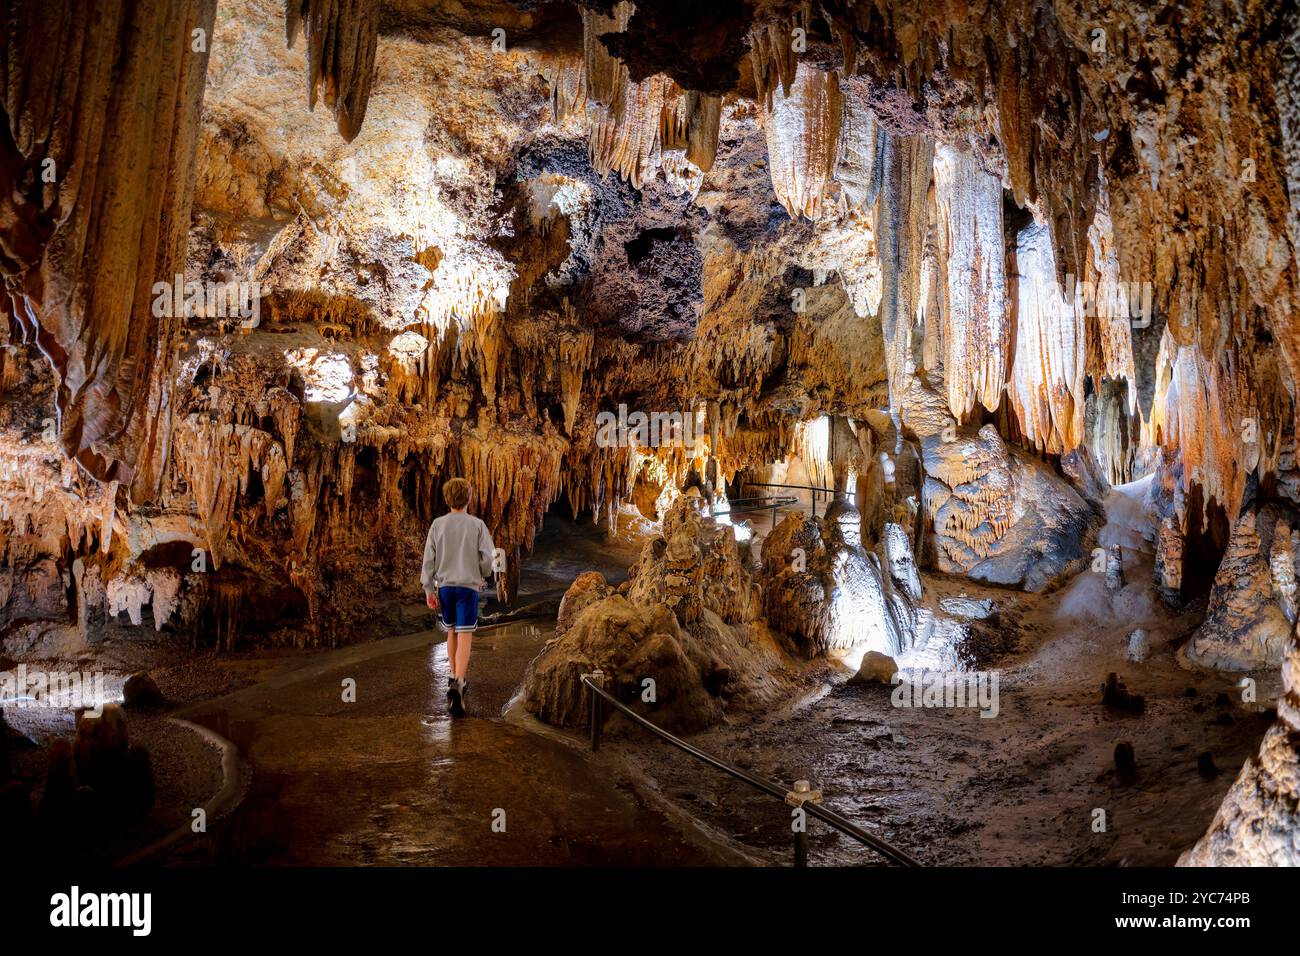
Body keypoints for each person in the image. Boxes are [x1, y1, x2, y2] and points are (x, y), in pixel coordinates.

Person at [420, 477, 502, 717]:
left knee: (452, 631)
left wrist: (428, 589)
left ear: (447, 499)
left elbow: (428, 560)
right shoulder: (477, 525)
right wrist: (483, 574)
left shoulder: (437, 525)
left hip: (445, 587)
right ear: (469, 499)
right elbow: (489, 558)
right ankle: (460, 680)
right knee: (466, 633)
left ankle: (453, 679)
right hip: (467, 587)